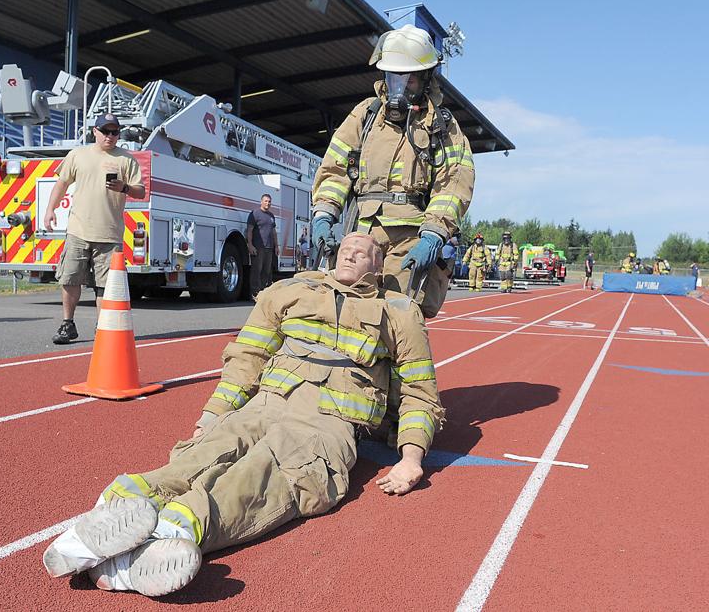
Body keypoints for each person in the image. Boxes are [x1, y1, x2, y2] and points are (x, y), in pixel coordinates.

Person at [41, 233, 442, 596]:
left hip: (328, 421)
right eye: (345, 248)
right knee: (208, 451)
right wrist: (212, 415)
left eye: (363, 252)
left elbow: (419, 392)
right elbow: (246, 358)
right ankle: (117, 510)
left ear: (379, 264)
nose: (351, 253)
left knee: (274, 467)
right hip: (265, 402)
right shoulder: (289, 291)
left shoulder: (399, 313)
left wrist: (411, 457)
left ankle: (171, 530)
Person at [310, 24, 475, 319]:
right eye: (394, 76)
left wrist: (434, 233)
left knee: (399, 320)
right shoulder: (366, 114)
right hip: (361, 232)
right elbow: (334, 167)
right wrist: (323, 215)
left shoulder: (443, 127)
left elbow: (454, 185)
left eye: (409, 78)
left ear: (426, 77)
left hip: (411, 239)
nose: (400, 85)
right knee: (347, 314)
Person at [42, 113, 146, 344]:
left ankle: (103, 328)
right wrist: (50, 210)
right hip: (78, 230)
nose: (110, 136)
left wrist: (124, 187)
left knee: (106, 286)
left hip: (110, 233)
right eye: (105, 131)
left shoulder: (126, 160)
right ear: (95, 132)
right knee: (70, 278)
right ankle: (67, 325)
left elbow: (141, 191)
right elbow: (62, 184)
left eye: (115, 132)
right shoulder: (78, 155)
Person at [246, 194, 279, 299]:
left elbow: (274, 232)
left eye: (269, 201)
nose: (267, 203)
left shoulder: (271, 216)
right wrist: (250, 245)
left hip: (269, 248)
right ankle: (255, 294)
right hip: (258, 247)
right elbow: (249, 230)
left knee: (266, 271)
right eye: (265, 201)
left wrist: (276, 246)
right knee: (257, 270)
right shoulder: (254, 214)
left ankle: (262, 293)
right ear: (261, 202)